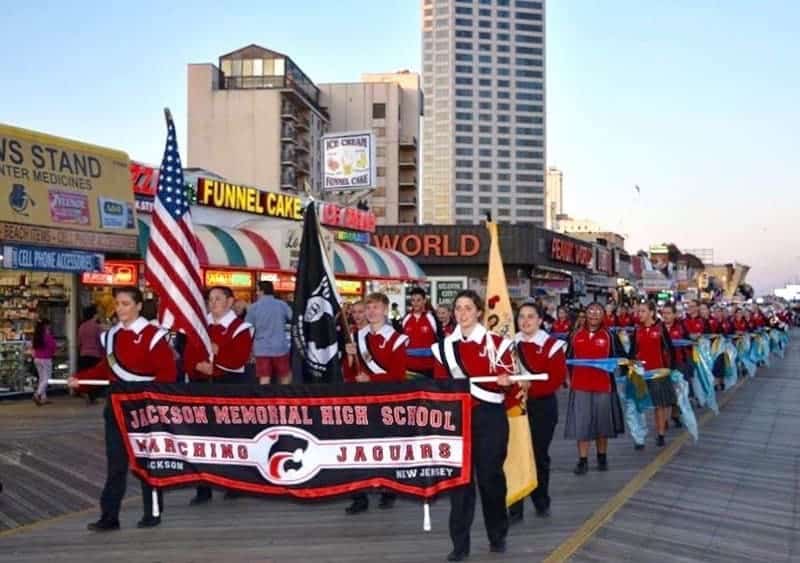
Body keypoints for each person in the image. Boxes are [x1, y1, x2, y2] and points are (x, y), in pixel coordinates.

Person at [68, 287, 177, 531]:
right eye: (118, 304)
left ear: (138, 306)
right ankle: (109, 516)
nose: (120, 308)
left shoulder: (155, 336)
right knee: (115, 463)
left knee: (147, 462)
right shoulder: (111, 336)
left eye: (126, 303)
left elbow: (167, 375)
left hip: (144, 409)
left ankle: (152, 512)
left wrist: (152, 400)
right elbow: (104, 370)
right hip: (116, 406)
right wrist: (80, 380)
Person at [431, 290, 514, 561]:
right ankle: (460, 544)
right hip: (458, 418)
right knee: (460, 483)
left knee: (490, 478)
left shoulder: (498, 343)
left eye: (468, 308)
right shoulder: (443, 347)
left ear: (479, 311)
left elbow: (510, 383)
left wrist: (506, 381)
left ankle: (497, 534)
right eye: (458, 308)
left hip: (489, 417)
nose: (462, 313)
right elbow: (442, 385)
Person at [185, 286, 254, 506]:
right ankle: (203, 486)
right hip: (202, 384)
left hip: (229, 385)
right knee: (201, 437)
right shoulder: (199, 326)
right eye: (210, 299)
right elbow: (188, 354)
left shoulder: (242, 327)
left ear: (230, 301)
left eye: (218, 298)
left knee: (229, 436)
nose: (212, 303)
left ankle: (233, 483)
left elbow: (238, 358)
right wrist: (197, 366)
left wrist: (216, 363)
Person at [343, 292, 408, 515]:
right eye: (368, 308)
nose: (371, 312)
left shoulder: (397, 339)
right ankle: (358, 496)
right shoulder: (357, 337)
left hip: (385, 401)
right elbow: (349, 373)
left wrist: (373, 379)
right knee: (357, 447)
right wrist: (350, 358)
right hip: (361, 399)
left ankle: (388, 489)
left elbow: (399, 375)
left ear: (385, 311)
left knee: (385, 446)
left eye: (376, 307)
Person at [508, 302, 567, 524]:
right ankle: (515, 506)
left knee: (538, 455)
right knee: (515, 455)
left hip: (542, 407)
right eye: (521, 316)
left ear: (540, 320)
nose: (525, 321)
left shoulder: (552, 346)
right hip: (514, 406)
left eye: (531, 316)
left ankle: (541, 500)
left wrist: (529, 387)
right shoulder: (509, 344)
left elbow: (556, 379)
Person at [565, 302, 625, 475]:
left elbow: (621, 357)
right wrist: (567, 378)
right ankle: (582, 460)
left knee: (602, 425)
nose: (594, 315)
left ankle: (602, 457)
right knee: (581, 426)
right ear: (586, 314)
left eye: (598, 312)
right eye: (591, 311)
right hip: (580, 386)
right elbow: (567, 358)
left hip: (603, 386)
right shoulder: (575, 335)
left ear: (602, 315)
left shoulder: (610, 336)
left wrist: (628, 368)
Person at [631, 302, 676, 447]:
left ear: (651, 313)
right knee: (638, 406)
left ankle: (661, 434)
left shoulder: (660, 329)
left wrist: (670, 368)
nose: (640, 314)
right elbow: (632, 353)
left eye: (643, 311)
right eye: (639, 311)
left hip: (658, 373)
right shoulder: (636, 331)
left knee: (659, 405)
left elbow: (669, 349)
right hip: (640, 374)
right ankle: (639, 436)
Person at [246, 281, 292, 384]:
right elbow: (293, 318)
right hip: (280, 347)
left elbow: (248, 327)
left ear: (261, 291)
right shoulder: (282, 304)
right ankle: (284, 398)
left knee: (264, 377)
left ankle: (265, 399)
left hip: (261, 348)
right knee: (284, 375)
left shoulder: (253, 307)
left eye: (257, 290)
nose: (256, 293)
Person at [662, 303, 689, 430]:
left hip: (679, 363)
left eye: (668, 313)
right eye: (663, 313)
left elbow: (689, 343)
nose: (665, 316)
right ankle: (664, 420)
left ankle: (675, 415)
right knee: (665, 392)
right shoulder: (658, 328)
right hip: (663, 364)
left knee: (677, 391)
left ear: (674, 314)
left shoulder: (681, 327)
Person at [401, 287, 439, 378]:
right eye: (413, 300)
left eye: (418, 300)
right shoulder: (405, 319)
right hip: (409, 367)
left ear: (424, 301)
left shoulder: (432, 318)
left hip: (428, 367)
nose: (415, 303)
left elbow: (440, 339)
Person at [78, 305, 104, 404]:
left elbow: (79, 342)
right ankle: (93, 396)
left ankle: (87, 393)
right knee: (95, 377)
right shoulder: (97, 327)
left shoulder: (82, 327)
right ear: (94, 315)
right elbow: (102, 341)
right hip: (95, 355)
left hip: (83, 354)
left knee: (86, 376)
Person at [31, 319, 57, 406]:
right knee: (47, 379)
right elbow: (53, 346)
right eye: (49, 325)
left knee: (42, 379)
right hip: (46, 359)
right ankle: (37, 394)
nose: (50, 327)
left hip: (37, 359)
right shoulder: (47, 336)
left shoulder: (37, 336)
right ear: (46, 326)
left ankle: (43, 398)